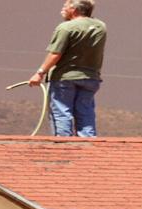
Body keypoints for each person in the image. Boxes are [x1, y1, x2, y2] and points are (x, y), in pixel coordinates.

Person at [29, 1, 107, 138]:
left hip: (64, 78)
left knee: (62, 113)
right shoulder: (100, 26)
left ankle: (64, 148)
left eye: (65, 6)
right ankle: (88, 146)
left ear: (74, 9)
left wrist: (39, 73)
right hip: (90, 78)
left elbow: (55, 54)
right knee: (86, 112)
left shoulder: (66, 28)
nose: (62, 10)